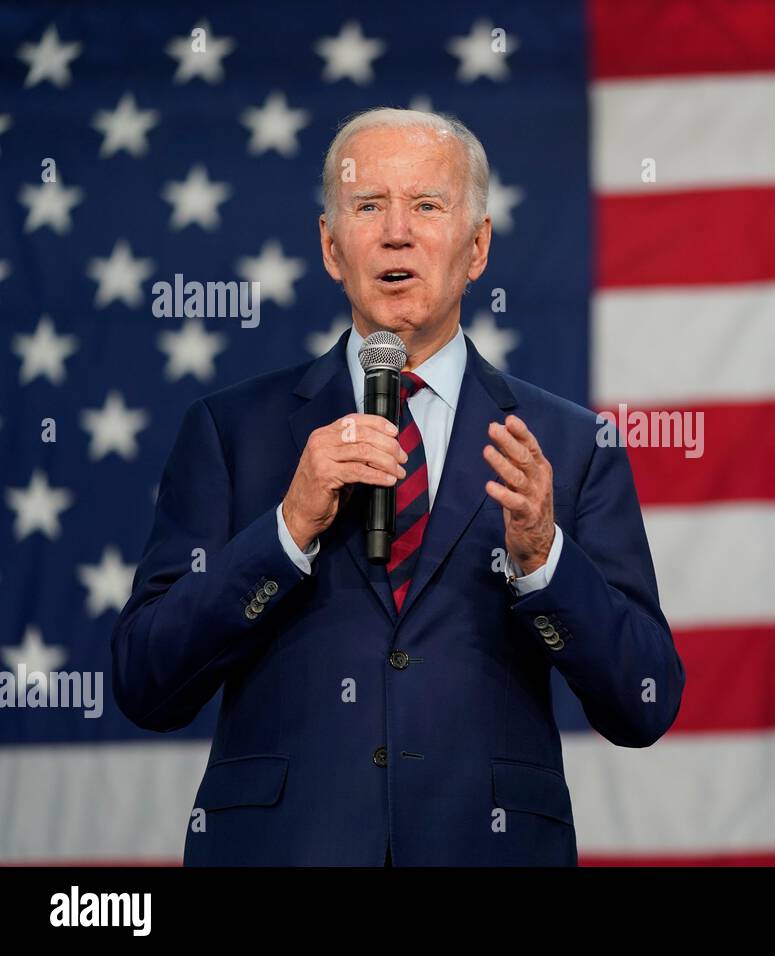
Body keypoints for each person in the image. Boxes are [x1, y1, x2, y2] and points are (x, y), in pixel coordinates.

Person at [111, 107, 685, 866]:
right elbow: (147, 683)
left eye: (426, 205)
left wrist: (545, 557)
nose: (395, 233)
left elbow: (645, 700)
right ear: (330, 246)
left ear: (477, 246)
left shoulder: (571, 448)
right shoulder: (228, 432)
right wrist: (284, 532)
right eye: (368, 206)